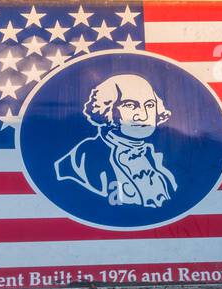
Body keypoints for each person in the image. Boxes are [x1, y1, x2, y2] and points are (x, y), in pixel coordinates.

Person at [54, 73, 178, 208]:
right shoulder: (82, 157)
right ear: (107, 110)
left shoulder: (156, 155)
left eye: (149, 105)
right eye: (130, 105)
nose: (143, 116)